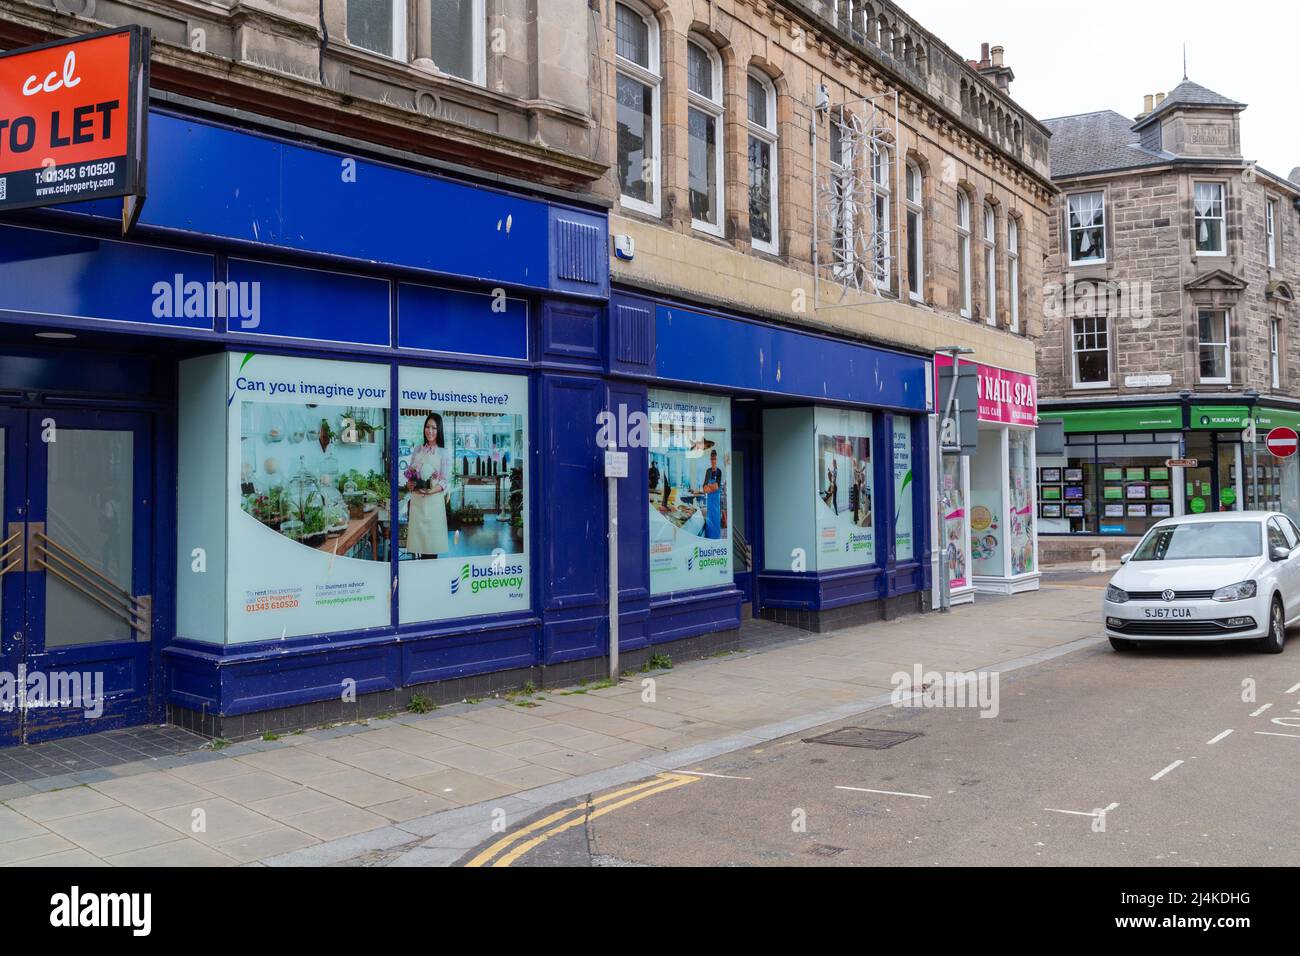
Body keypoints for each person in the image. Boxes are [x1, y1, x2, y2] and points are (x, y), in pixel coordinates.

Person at [406, 413, 451, 558]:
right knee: (418, 545)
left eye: (433, 427)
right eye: (427, 427)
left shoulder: (444, 453)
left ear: (439, 430)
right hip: (418, 504)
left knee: (431, 548)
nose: (429, 431)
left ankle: (431, 578)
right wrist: (410, 483)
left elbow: (444, 481)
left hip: (434, 505)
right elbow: (411, 475)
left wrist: (431, 491)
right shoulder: (417, 450)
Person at [700, 450, 724, 539]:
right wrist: (711, 487)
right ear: (710, 460)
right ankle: (709, 538)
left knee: (716, 520)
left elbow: (717, 486)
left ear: (716, 459)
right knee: (709, 520)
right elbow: (704, 488)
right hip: (710, 502)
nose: (713, 461)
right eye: (712, 459)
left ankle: (716, 538)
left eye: (714, 459)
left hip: (716, 503)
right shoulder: (708, 471)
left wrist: (709, 486)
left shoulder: (719, 472)